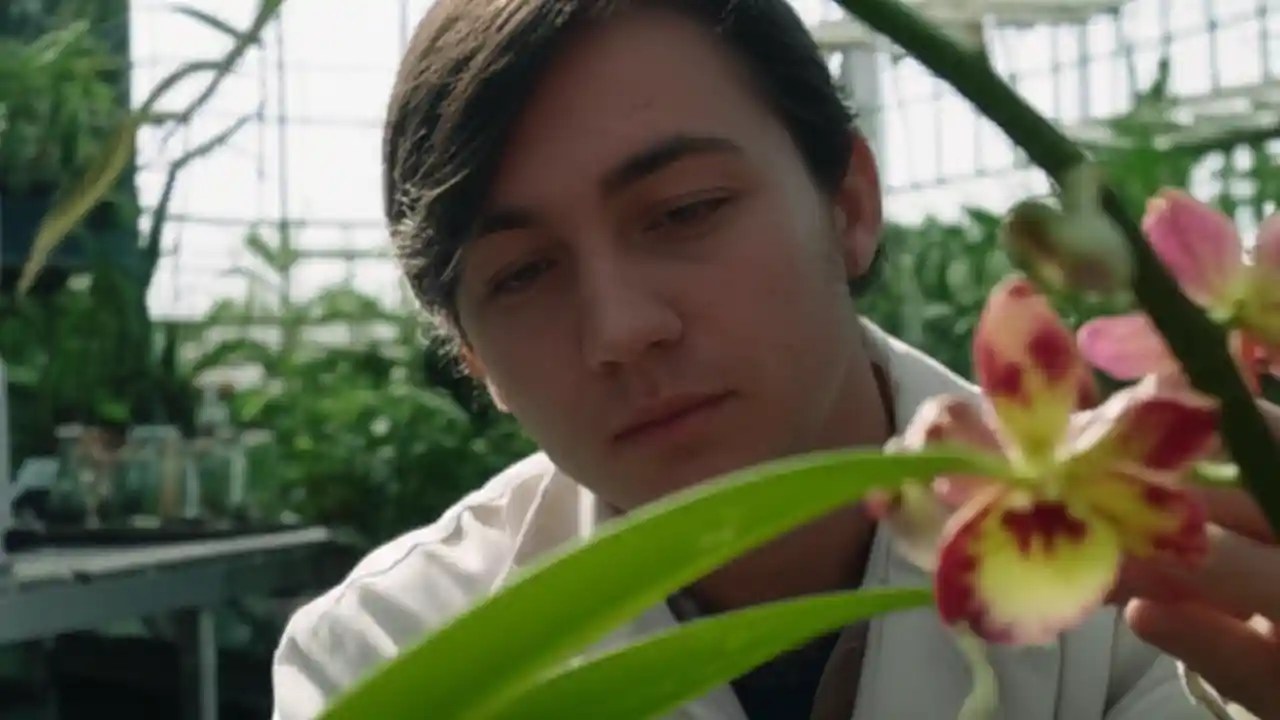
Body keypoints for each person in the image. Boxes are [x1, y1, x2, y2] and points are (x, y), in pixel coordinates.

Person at [270, 1, 1278, 718]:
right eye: (522, 275)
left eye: (685, 212)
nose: (621, 329)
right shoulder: (397, 658)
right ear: (468, 354)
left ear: (847, 207)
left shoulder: (1149, 582)